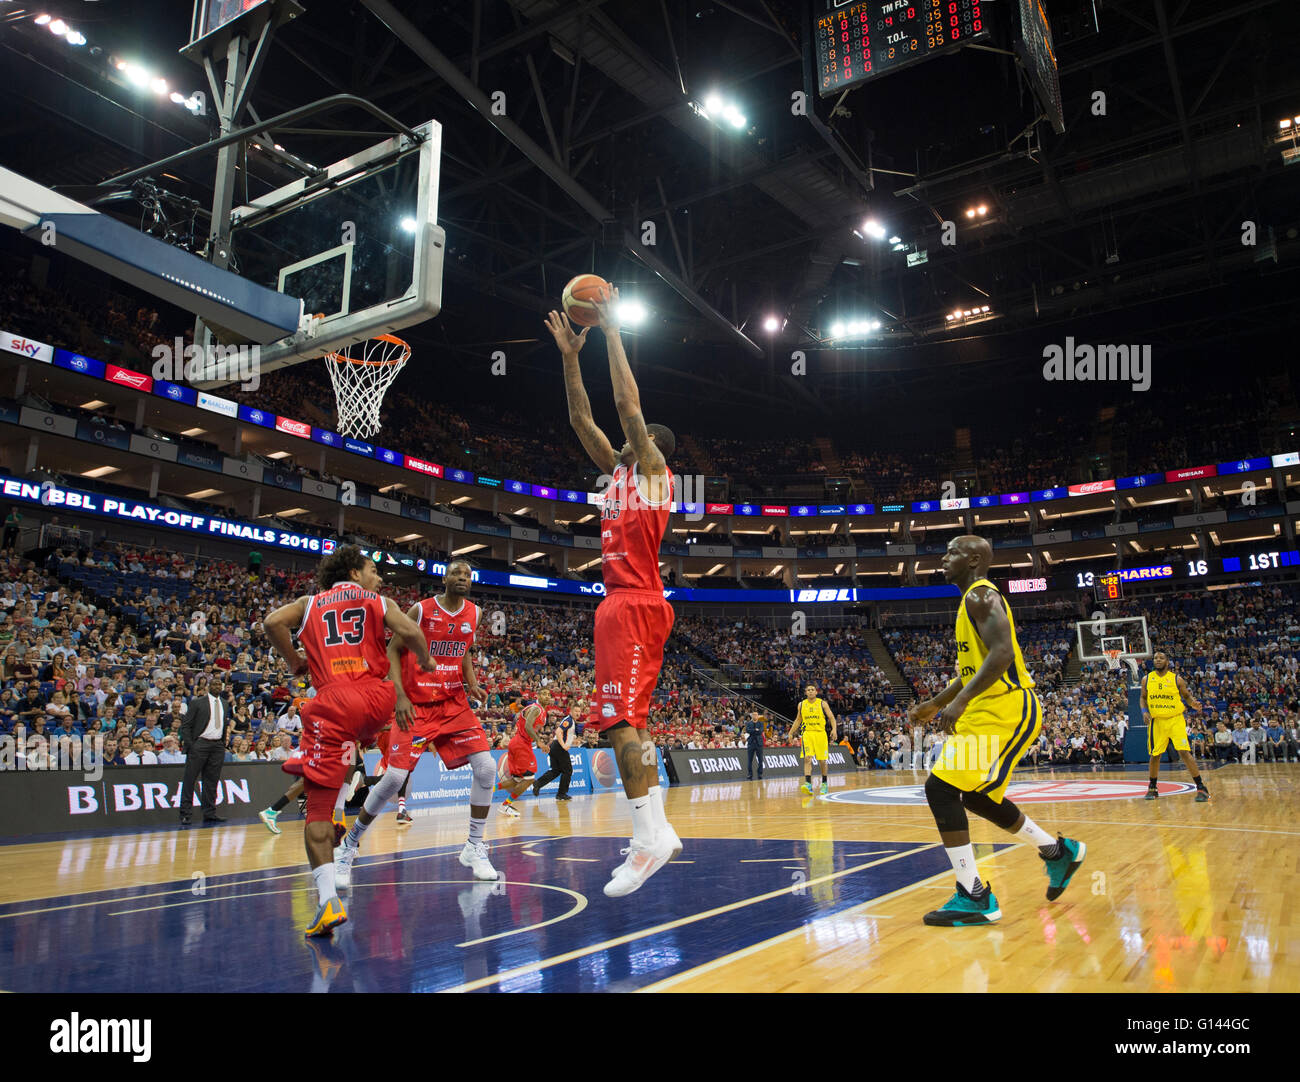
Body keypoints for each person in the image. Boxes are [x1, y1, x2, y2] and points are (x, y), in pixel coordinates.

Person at [546, 291, 681, 898]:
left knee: (624, 724)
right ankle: (654, 831)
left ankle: (650, 838)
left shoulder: (653, 475)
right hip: (616, 607)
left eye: (638, 436)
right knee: (619, 727)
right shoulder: (618, 475)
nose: (626, 438)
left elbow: (627, 407)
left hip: (637, 604)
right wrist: (572, 356)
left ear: (651, 446)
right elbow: (583, 421)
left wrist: (611, 329)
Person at [907, 535, 1085, 927]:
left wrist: (959, 703)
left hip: (1004, 708)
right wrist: (937, 703)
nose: (942, 556)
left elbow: (1002, 655)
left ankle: (974, 896)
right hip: (989, 708)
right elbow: (975, 668)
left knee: (940, 788)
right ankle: (1058, 852)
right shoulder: (970, 599)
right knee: (972, 797)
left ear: (972, 560)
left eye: (951, 551)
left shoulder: (980, 596)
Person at [262, 545, 433, 937]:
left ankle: (328, 900)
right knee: (354, 755)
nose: (379, 577)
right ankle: (346, 813)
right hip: (378, 699)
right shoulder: (377, 600)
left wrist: (293, 661)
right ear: (355, 573)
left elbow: (272, 623)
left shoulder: (309, 603)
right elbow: (409, 631)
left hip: (335, 701)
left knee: (316, 806)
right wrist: (424, 658)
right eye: (374, 569)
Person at [376, 559, 500, 881]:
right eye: (456, 573)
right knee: (392, 779)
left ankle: (474, 846)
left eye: (467, 575)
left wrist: (471, 682)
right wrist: (399, 695)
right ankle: (349, 844)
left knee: (487, 767)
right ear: (444, 578)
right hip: (417, 704)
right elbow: (392, 650)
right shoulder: (420, 610)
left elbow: (465, 650)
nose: (462, 578)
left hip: (454, 704)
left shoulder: (475, 613)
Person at [1141, 651, 1210, 802]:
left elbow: (1186, 696)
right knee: (1155, 755)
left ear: (1167, 662)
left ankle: (1201, 787)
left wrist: (1193, 703)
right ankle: (1152, 788)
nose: (1158, 660)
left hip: (1175, 719)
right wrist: (1144, 711)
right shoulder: (1147, 679)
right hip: (1157, 721)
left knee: (1184, 753)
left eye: (1161, 658)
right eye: (1156, 658)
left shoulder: (1176, 679)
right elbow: (1143, 697)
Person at [178, 675, 232, 825]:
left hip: (217, 746)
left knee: (211, 781)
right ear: (208, 686)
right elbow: (186, 725)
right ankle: (185, 813)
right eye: (213, 684)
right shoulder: (197, 702)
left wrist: (222, 743)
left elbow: (224, 724)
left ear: (221, 687)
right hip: (200, 744)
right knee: (190, 779)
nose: (216, 686)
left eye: (218, 684)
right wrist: (191, 744)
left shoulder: (225, 703)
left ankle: (210, 812)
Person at [497, 689, 550, 816]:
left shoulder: (540, 710)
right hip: (521, 744)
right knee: (529, 779)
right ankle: (505, 805)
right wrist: (539, 741)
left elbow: (526, 725)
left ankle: (488, 790)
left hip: (517, 742)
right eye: (544, 693)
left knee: (517, 780)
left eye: (549, 694)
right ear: (538, 696)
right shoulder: (536, 708)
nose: (547, 696)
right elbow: (527, 726)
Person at [787, 684, 837, 795]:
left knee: (822, 761)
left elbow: (832, 717)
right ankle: (808, 784)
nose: (810, 691)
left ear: (816, 692)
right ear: (805, 692)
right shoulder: (801, 705)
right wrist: (790, 733)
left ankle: (824, 784)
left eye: (812, 690)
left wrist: (834, 729)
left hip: (820, 734)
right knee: (807, 758)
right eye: (808, 690)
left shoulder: (822, 703)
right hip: (807, 734)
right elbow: (798, 720)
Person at [533, 696, 577, 800]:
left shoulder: (571, 721)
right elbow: (558, 732)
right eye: (576, 711)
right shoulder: (569, 720)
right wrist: (564, 745)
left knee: (556, 770)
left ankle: (538, 783)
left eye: (580, 711)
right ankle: (561, 794)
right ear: (571, 711)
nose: (578, 713)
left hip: (555, 746)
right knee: (568, 771)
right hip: (558, 747)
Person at [744, 709, 766, 781]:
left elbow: (760, 731)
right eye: (753, 715)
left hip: (759, 743)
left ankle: (760, 774)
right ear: (752, 716)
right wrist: (755, 730)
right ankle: (750, 774)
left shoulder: (761, 723)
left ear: (758, 716)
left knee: (760, 760)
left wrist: (754, 731)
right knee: (749, 760)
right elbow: (748, 730)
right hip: (751, 743)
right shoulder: (748, 723)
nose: (755, 716)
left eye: (756, 715)